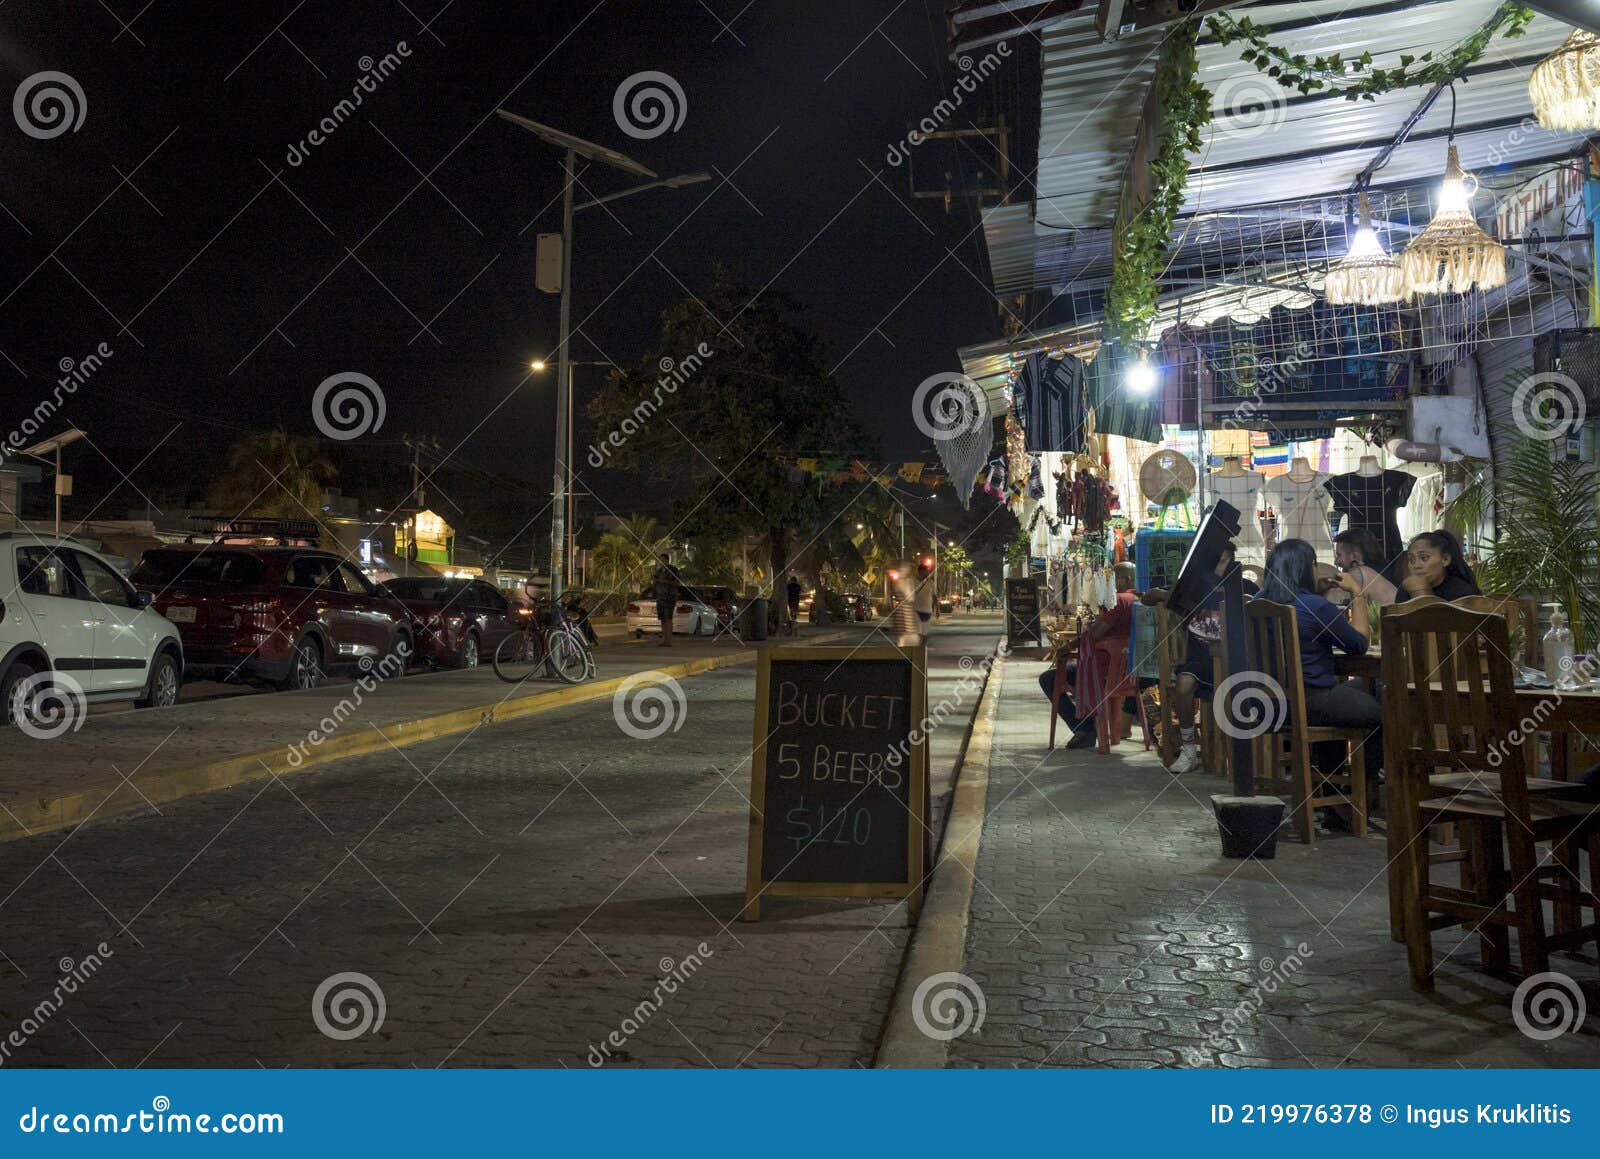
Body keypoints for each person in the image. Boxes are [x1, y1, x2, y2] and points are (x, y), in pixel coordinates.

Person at [1261, 538, 1380, 830]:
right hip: (1311, 701)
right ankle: (1357, 790)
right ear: (1306, 568)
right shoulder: (1312, 606)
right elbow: (1358, 644)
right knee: (1383, 712)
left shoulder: (1258, 604)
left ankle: (1333, 797)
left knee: (1356, 695)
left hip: (1268, 703)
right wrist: (1358, 594)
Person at [1143, 543, 1256, 775]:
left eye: (1225, 561)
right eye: (1216, 560)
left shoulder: (1243, 586)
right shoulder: (1194, 587)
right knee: (1183, 686)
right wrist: (1170, 595)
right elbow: (1148, 597)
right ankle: (1188, 749)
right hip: (1199, 658)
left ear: (1233, 562)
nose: (1219, 567)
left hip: (1236, 660)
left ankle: (1245, 753)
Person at [1039, 562, 1138, 749]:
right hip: (1129, 672)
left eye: (1113, 579)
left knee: (1048, 679)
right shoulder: (1137, 600)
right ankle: (1089, 728)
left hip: (1104, 672)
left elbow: (1094, 633)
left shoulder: (1118, 601)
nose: (1111, 583)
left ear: (1127, 579)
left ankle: (1084, 729)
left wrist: (1067, 647)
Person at [1395, 529, 1480, 602]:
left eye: (1424, 558)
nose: (1416, 565)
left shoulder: (1462, 592)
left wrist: (1421, 592)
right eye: (1411, 560)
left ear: (1445, 559)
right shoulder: (1406, 589)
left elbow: (1432, 620)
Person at [1330, 528, 1399, 607]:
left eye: (1339, 555)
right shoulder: (1383, 571)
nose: (1336, 561)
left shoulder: (1358, 573)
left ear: (1354, 556)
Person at [651, 553, 680, 647]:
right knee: (662, 618)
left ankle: (669, 640)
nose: (661, 562)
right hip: (660, 597)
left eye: (663, 560)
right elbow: (654, 582)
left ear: (667, 561)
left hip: (670, 597)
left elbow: (677, 583)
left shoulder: (673, 570)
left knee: (668, 618)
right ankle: (664, 639)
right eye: (660, 560)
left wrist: (666, 581)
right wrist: (655, 583)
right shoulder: (658, 571)